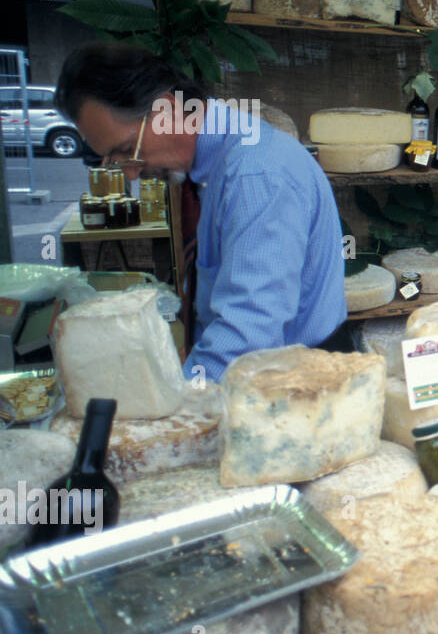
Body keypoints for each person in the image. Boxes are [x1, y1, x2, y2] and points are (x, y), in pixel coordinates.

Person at [54, 43, 346, 382]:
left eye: (125, 151)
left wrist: (178, 402)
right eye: (112, 160)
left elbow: (248, 333)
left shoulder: (255, 172)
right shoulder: (220, 162)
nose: (130, 174)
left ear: (164, 111)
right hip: (268, 376)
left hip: (298, 387)